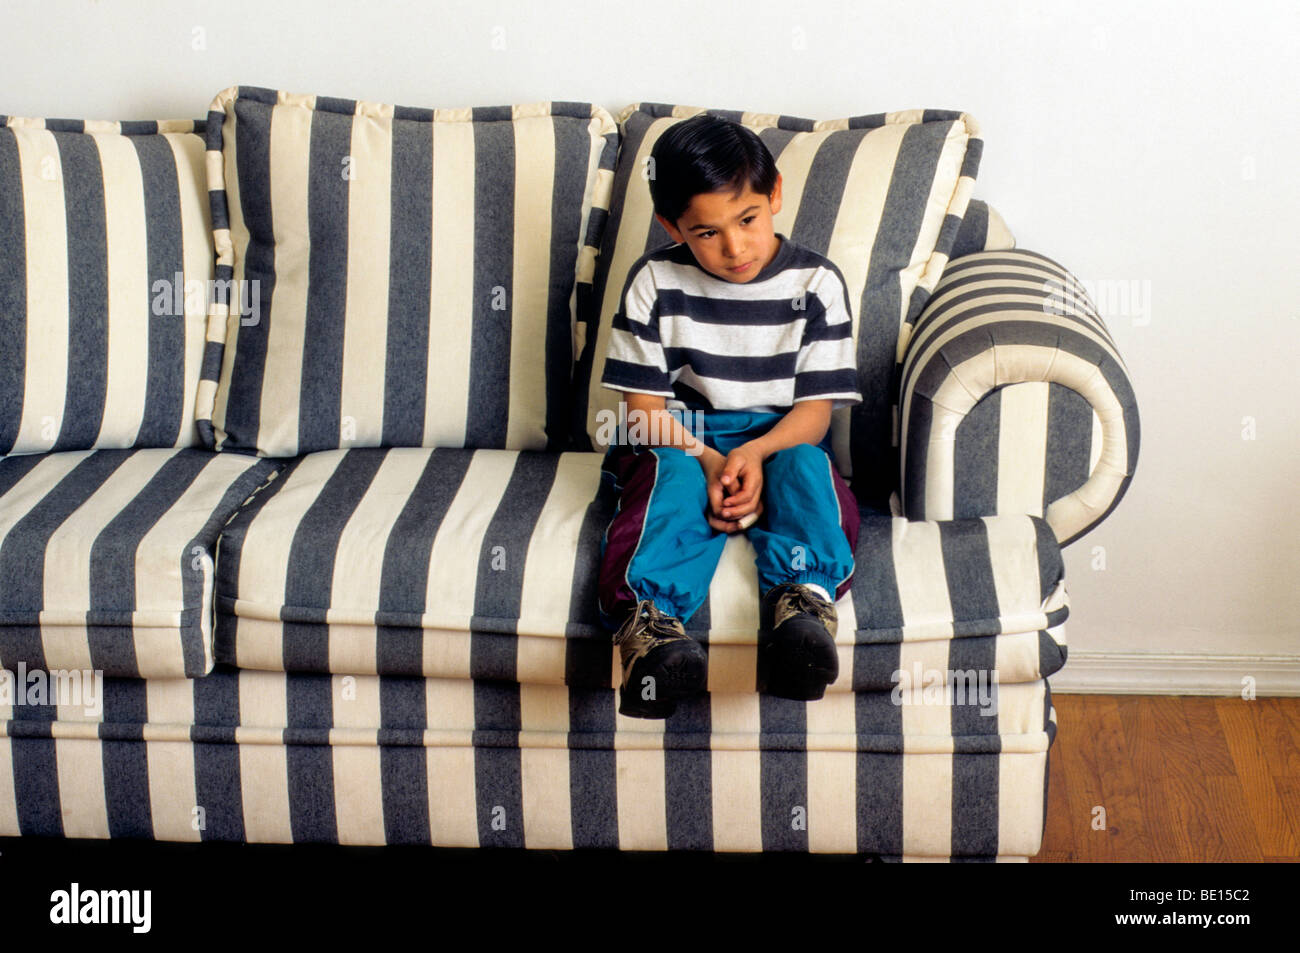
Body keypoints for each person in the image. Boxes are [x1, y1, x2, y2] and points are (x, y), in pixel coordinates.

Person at [596, 113, 862, 719]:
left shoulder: (817, 285)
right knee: (675, 480)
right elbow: (642, 413)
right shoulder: (655, 282)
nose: (734, 248)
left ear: (775, 194)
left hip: (779, 436)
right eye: (706, 232)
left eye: (746, 220)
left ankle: (802, 609)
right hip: (679, 438)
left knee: (806, 470)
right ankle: (653, 632)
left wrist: (757, 454)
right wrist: (712, 457)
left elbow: (814, 414)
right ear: (672, 226)